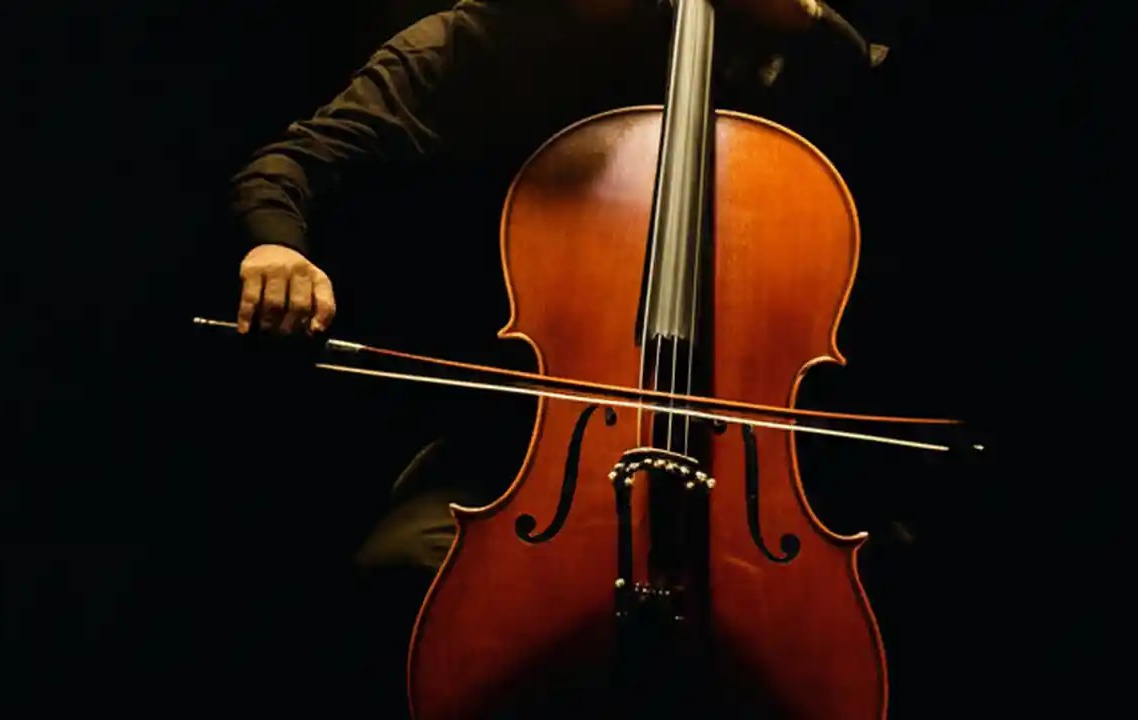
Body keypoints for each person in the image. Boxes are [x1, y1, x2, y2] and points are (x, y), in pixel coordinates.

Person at [226, 0, 881, 714]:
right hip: (522, 443)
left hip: (746, 466)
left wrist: (807, 16)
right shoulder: (466, 43)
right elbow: (293, 162)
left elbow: (879, 97)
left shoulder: (735, 25)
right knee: (400, 576)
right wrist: (276, 245)